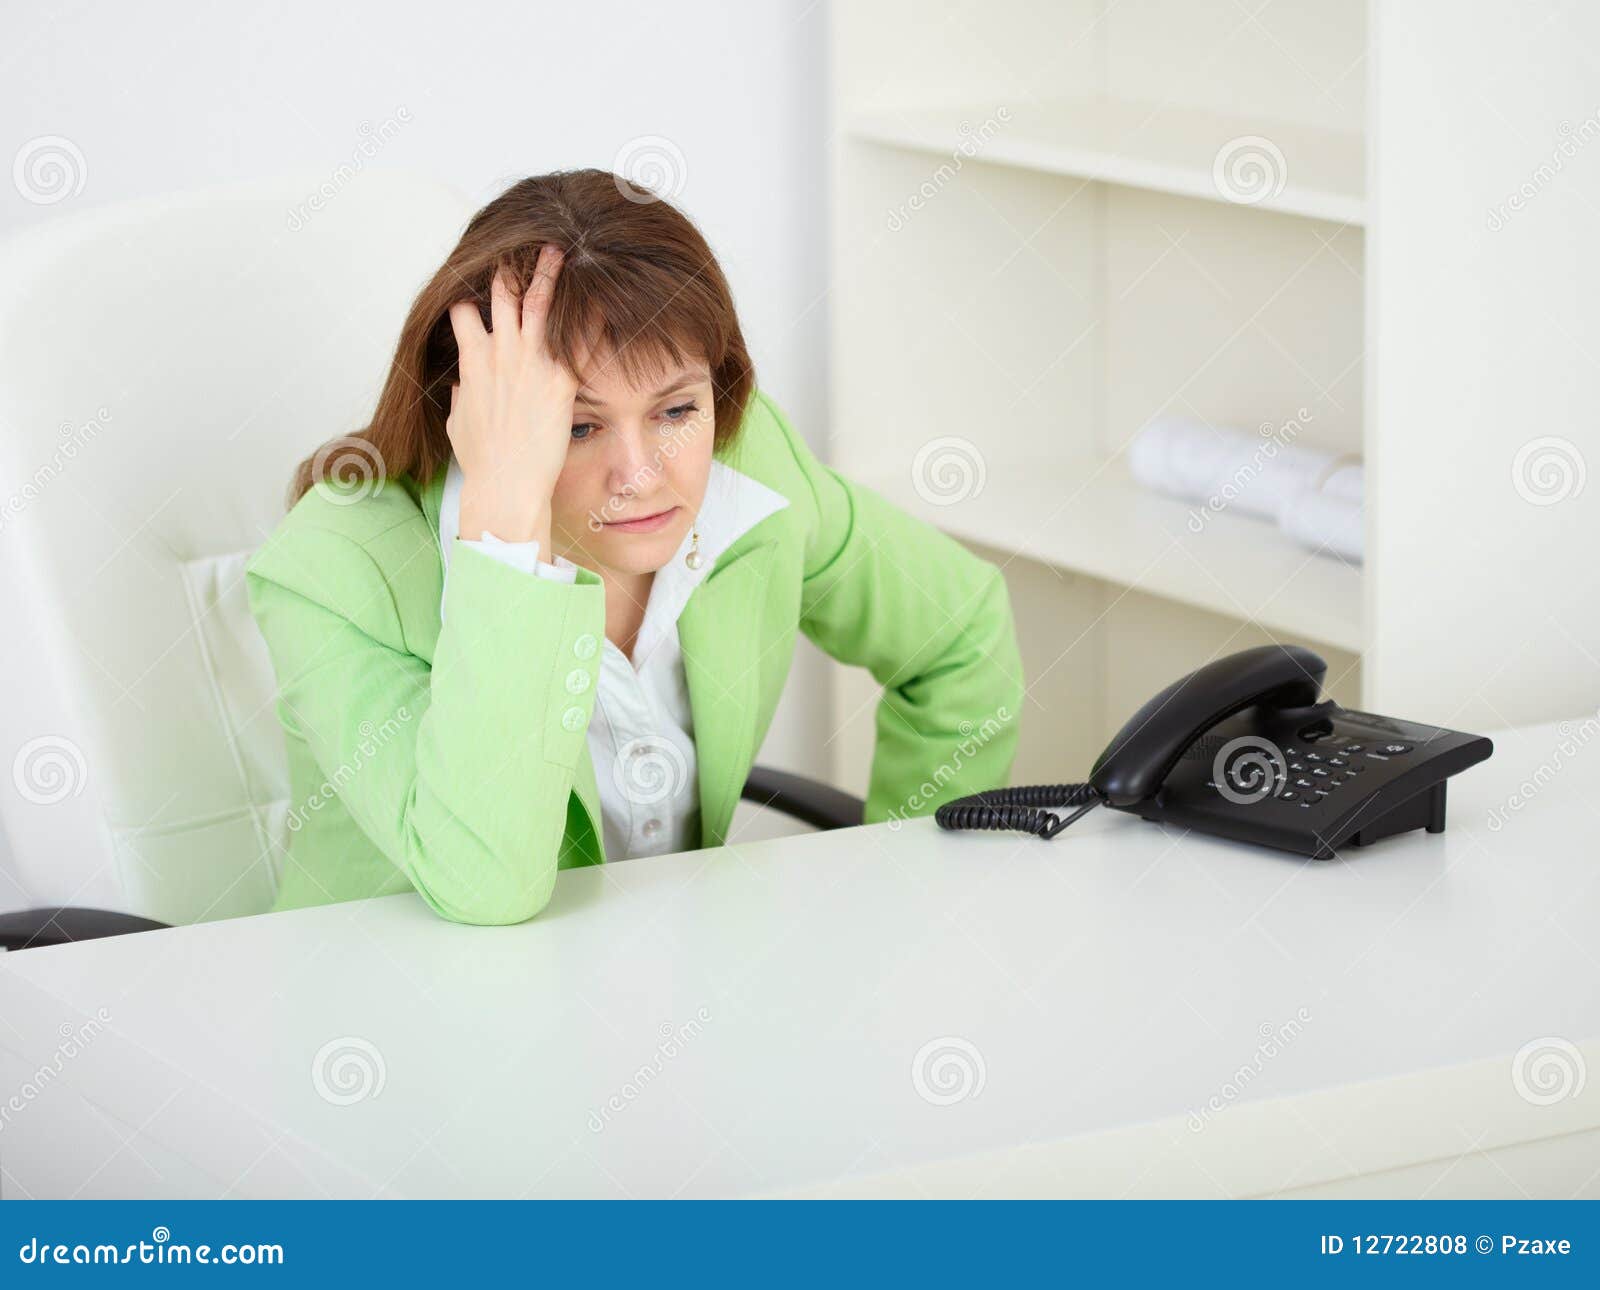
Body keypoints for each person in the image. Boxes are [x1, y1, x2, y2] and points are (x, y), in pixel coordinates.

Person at [246, 168, 1023, 925]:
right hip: (404, 1020)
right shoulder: (332, 572)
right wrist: (505, 524)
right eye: (578, 426)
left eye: (676, 409)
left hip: (666, 1006)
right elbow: (481, 886)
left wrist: (904, 894)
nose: (641, 475)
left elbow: (961, 637)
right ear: (475, 412)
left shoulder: (748, 471)